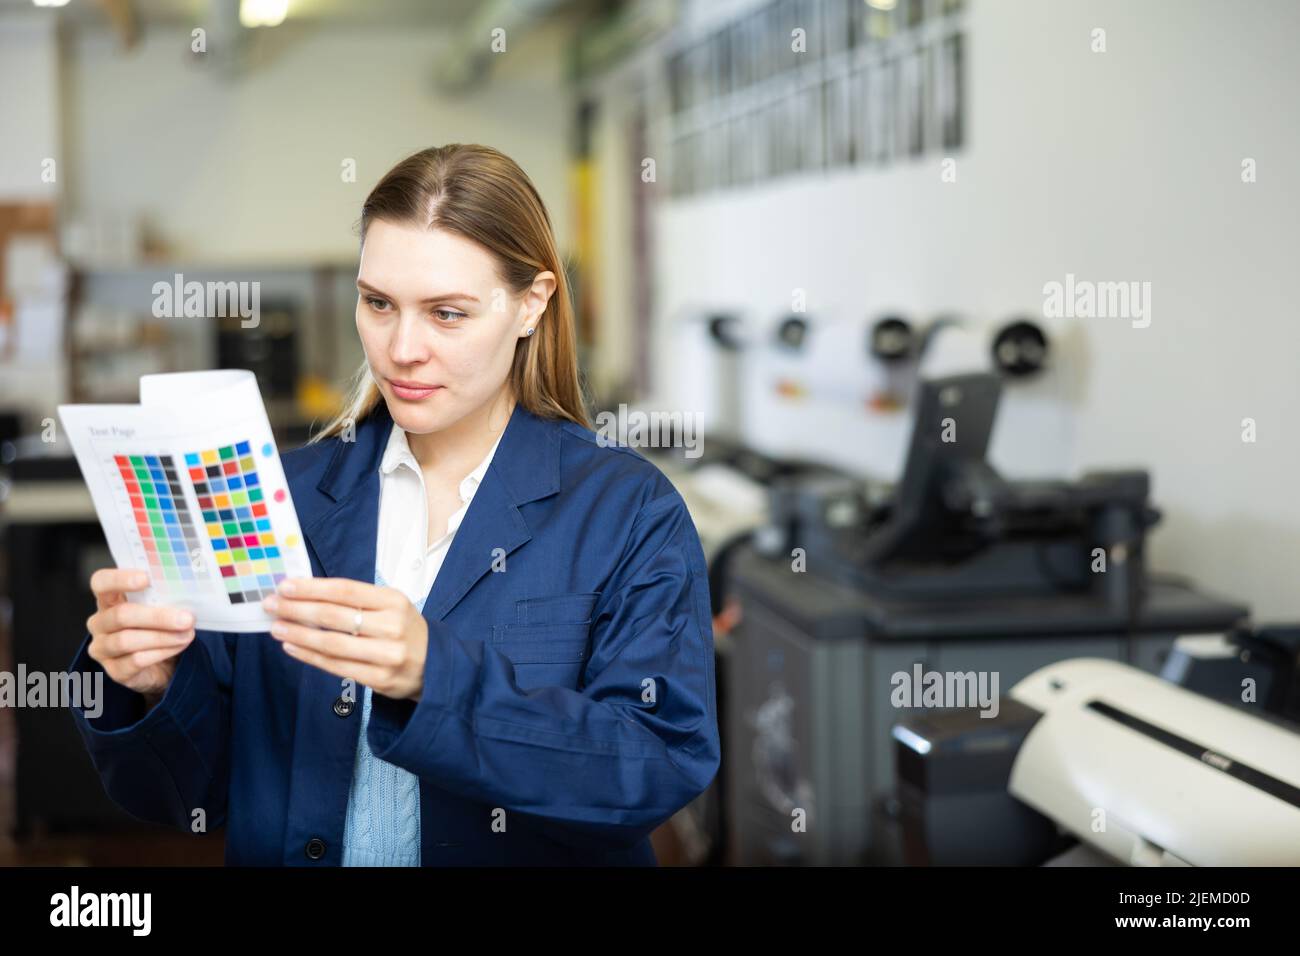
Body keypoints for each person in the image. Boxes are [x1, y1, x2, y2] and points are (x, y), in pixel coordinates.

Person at [69, 144, 720, 866]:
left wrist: (432, 677)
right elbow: (191, 794)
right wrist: (154, 686)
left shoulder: (626, 512)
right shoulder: (279, 496)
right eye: (378, 303)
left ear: (531, 303)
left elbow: (655, 768)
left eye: (446, 313)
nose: (401, 348)